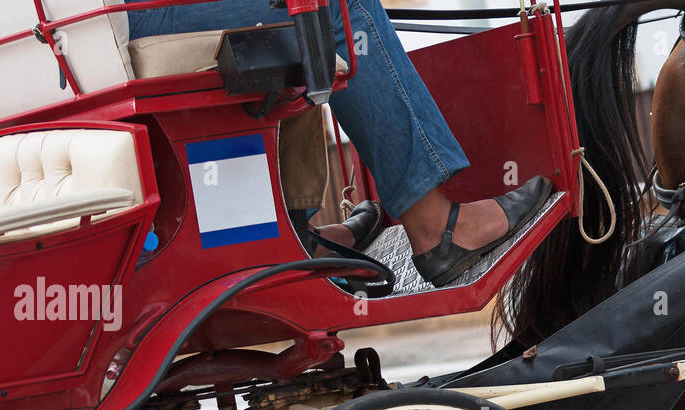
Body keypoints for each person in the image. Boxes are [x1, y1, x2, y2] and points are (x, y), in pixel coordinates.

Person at [128, 0, 551, 286]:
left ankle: (296, 232)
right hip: (132, 12)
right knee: (337, 9)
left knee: (298, 12)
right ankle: (438, 228)